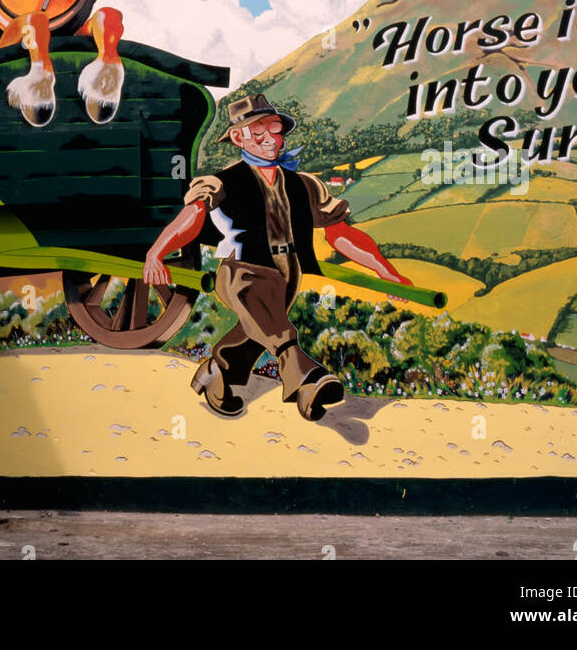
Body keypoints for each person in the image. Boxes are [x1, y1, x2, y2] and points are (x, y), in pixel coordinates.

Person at [143, 94, 413, 422]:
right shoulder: (223, 182)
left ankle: (218, 373)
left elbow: (340, 233)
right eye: (259, 133)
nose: (270, 139)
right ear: (238, 138)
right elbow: (194, 215)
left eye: (275, 130)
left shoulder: (304, 184)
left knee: (261, 329)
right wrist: (157, 252)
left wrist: (387, 272)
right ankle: (307, 383)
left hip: (287, 272)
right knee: (280, 333)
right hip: (243, 271)